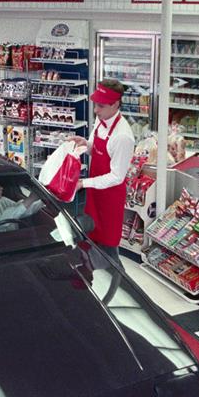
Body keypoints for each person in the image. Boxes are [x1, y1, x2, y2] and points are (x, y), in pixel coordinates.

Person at [70, 78, 135, 266]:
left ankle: (119, 282)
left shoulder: (123, 136)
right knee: (93, 237)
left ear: (115, 104)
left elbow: (117, 176)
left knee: (108, 246)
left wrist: (84, 183)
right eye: (95, 105)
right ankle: (92, 271)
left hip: (109, 199)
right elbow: (97, 150)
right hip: (95, 192)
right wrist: (85, 145)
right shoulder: (101, 121)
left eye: (101, 106)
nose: (96, 110)